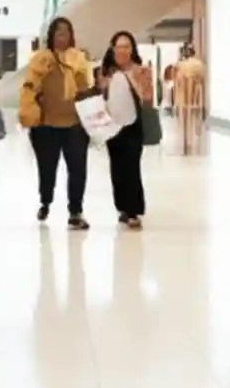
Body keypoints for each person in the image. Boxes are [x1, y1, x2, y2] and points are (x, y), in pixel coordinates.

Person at [20, 17, 93, 230]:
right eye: (59, 33)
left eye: (67, 33)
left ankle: (76, 211)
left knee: (78, 168)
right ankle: (45, 201)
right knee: (47, 168)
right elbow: (30, 87)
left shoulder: (79, 59)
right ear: (51, 36)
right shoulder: (40, 59)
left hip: (75, 123)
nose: (63, 37)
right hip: (46, 124)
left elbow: (83, 88)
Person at [99, 31, 152, 229]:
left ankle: (133, 210)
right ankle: (122, 206)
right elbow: (101, 97)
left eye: (127, 46)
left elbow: (147, 99)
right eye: (119, 46)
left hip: (133, 125)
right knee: (117, 168)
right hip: (112, 126)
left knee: (131, 166)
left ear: (132, 49)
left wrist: (141, 82)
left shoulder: (140, 70)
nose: (122, 50)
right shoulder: (106, 72)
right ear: (113, 49)